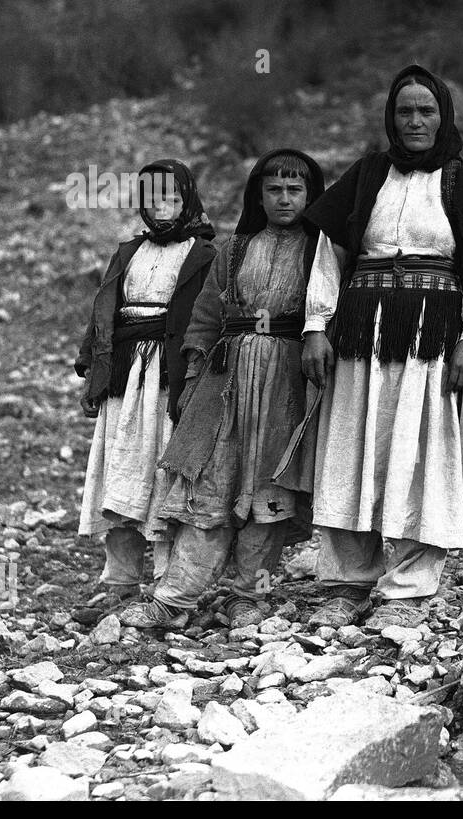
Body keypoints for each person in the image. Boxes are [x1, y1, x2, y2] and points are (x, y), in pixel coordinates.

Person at [295, 64, 463, 630]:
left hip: (431, 333)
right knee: (353, 444)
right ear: (390, 119)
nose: (415, 121)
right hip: (361, 330)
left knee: (425, 449)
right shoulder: (369, 174)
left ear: (443, 116)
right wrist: (316, 325)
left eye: (426, 111)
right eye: (404, 111)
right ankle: (349, 577)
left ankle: (411, 584)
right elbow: (330, 254)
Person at [120, 149, 324, 630]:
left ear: (311, 195)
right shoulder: (234, 249)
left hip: (288, 379)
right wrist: (192, 378)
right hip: (225, 376)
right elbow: (206, 318)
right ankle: (174, 599)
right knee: (208, 479)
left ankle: (247, 594)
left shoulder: (324, 253)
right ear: (258, 195)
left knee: (269, 485)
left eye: (296, 190)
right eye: (273, 189)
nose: (284, 199)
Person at [73, 160, 216, 624]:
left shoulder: (205, 255)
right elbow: (104, 310)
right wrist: (91, 363)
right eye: (153, 199)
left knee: (160, 472)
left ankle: (167, 583)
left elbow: (209, 316)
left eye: (173, 198)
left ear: (189, 201)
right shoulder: (128, 252)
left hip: (168, 378)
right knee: (120, 471)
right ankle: (119, 579)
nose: (163, 208)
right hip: (125, 374)